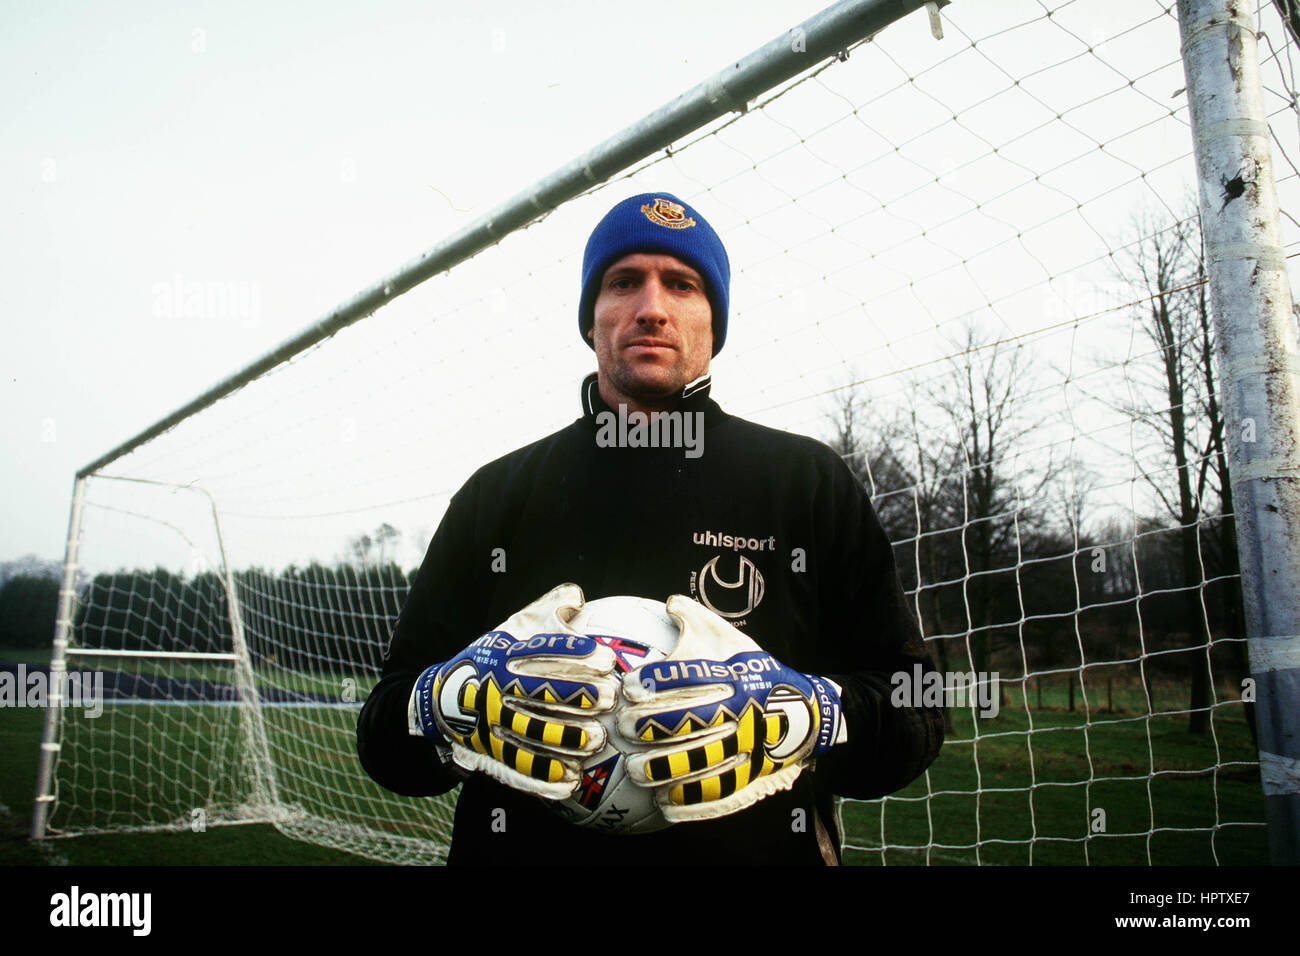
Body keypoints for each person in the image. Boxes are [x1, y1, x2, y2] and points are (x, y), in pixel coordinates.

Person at [357, 192, 943, 865]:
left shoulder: (806, 484)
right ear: (591, 318)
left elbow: (919, 706)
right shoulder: (497, 496)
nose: (652, 307)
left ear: (714, 321)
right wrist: (444, 705)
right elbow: (382, 734)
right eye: (623, 281)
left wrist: (813, 715)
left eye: (683, 284)